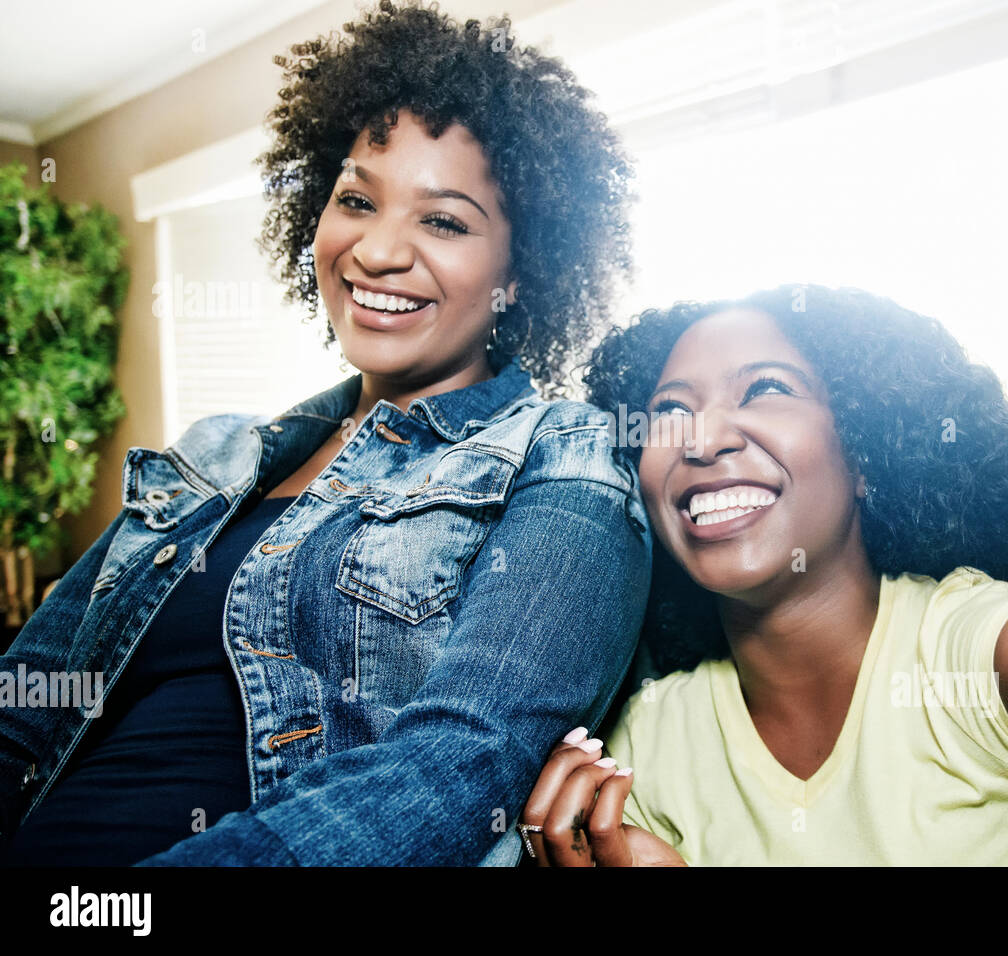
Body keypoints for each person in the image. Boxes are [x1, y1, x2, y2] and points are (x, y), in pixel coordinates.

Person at [0, 0, 650, 866]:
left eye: (444, 220)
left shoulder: (566, 457)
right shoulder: (215, 454)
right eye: (356, 200)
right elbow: (22, 707)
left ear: (522, 273)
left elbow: (460, 768)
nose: (378, 252)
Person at [521, 284, 1008, 866]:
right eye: (668, 410)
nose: (704, 439)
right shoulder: (642, 745)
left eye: (765, 389)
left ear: (866, 454)